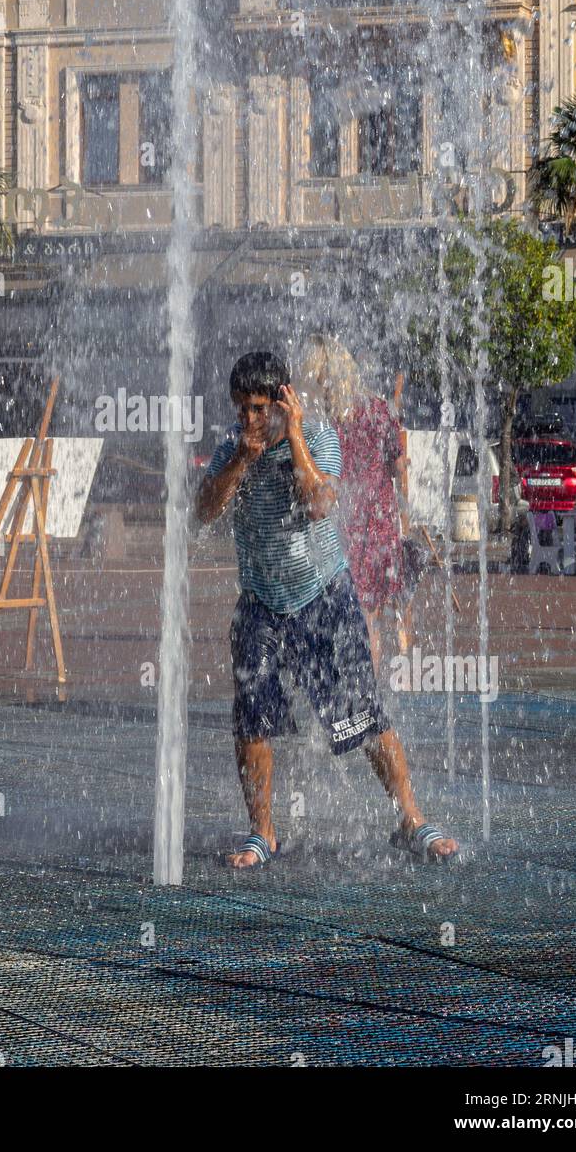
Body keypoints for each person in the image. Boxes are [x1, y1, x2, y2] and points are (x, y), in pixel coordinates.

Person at [196, 349, 457, 869]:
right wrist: (244, 459)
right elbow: (203, 512)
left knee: (363, 714)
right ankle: (262, 834)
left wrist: (291, 436)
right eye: (240, 409)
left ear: (282, 401)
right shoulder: (232, 448)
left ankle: (411, 820)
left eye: (258, 409)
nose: (248, 420)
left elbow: (320, 503)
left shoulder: (316, 438)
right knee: (253, 720)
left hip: (323, 600)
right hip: (261, 604)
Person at [297, 335, 411, 675]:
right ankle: (367, 697)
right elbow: (398, 465)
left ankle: (349, 698)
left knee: (335, 614)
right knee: (367, 616)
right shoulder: (378, 410)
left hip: (340, 524)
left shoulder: (319, 419)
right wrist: (404, 513)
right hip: (376, 524)